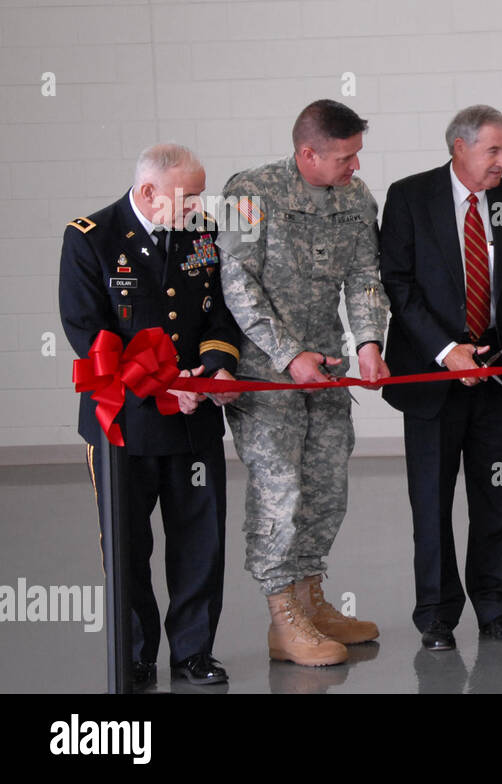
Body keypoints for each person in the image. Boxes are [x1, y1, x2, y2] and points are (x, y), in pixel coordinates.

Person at [59, 143, 241, 687]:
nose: (199, 206)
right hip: (125, 423)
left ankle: (193, 652)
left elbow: (221, 314)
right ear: (146, 192)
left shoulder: (203, 232)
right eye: (189, 196)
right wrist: (163, 387)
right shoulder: (91, 236)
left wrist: (216, 368)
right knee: (127, 545)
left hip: (194, 420)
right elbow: (89, 333)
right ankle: (137, 653)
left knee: (200, 542)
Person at [217, 99, 390, 666]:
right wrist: (290, 355)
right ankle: (282, 616)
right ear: (307, 152)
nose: (355, 168)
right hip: (266, 375)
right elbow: (235, 281)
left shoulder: (357, 200)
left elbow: (367, 277)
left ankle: (312, 598)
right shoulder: (247, 191)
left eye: (357, 156)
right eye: (344, 157)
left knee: (325, 490)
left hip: (329, 371)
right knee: (280, 493)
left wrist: (368, 342)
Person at [379, 105, 502, 652]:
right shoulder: (409, 197)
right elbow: (398, 286)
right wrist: (448, 351)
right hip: (432, 381)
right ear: (459, 148)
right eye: (493, 150)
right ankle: (436, 616)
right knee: (432, 502)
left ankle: (496, 607)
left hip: (495, 381)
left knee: (497, 497)